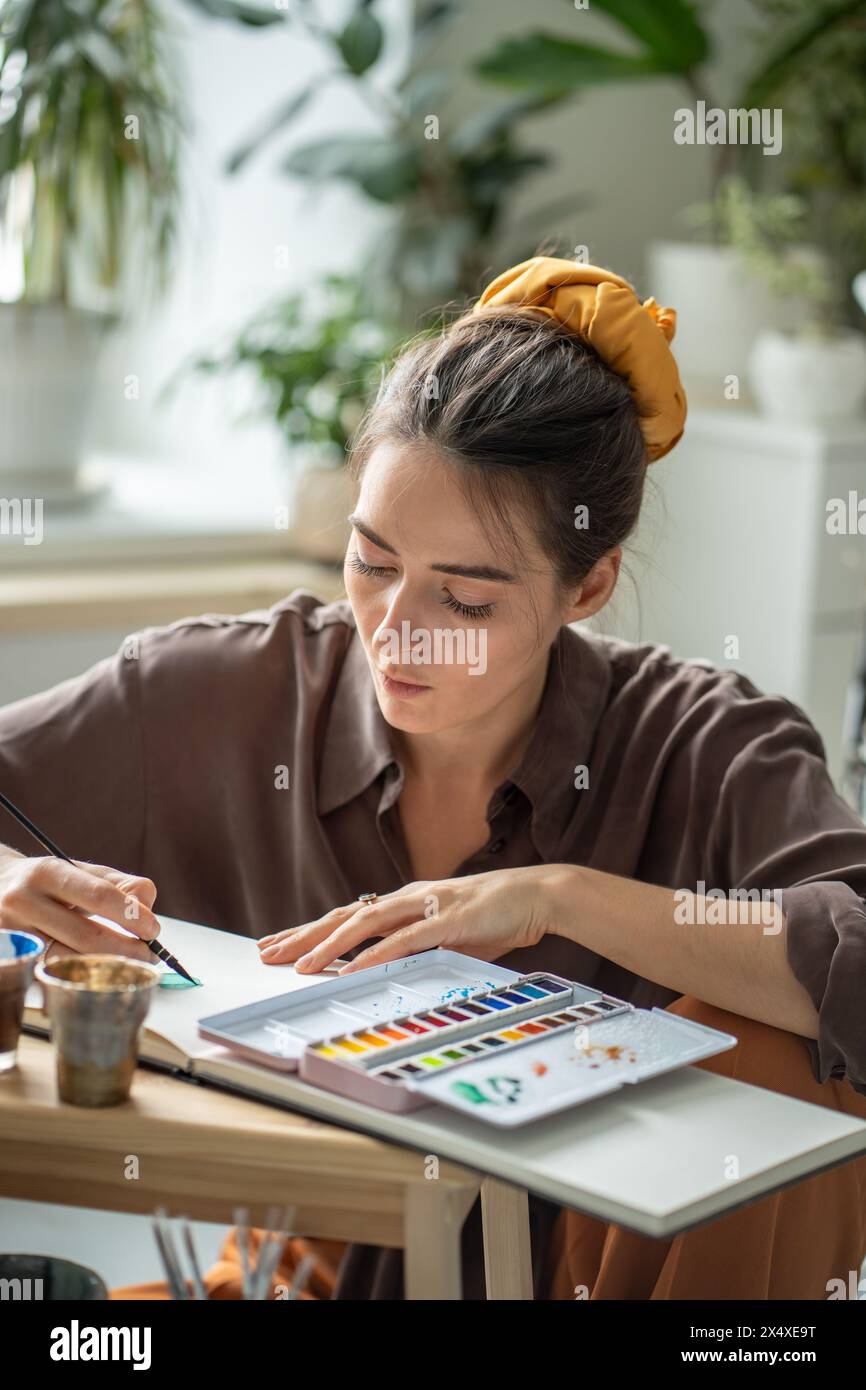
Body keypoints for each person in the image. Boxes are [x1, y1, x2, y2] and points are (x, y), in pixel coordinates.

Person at [2, 257, 865, 1301]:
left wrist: (558, 897)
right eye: (370, 562)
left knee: (788, 1055)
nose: (395, 633)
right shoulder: (220, 691)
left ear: (587, 583)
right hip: (298, 1277)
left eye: (462, 599)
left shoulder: (705, 741)